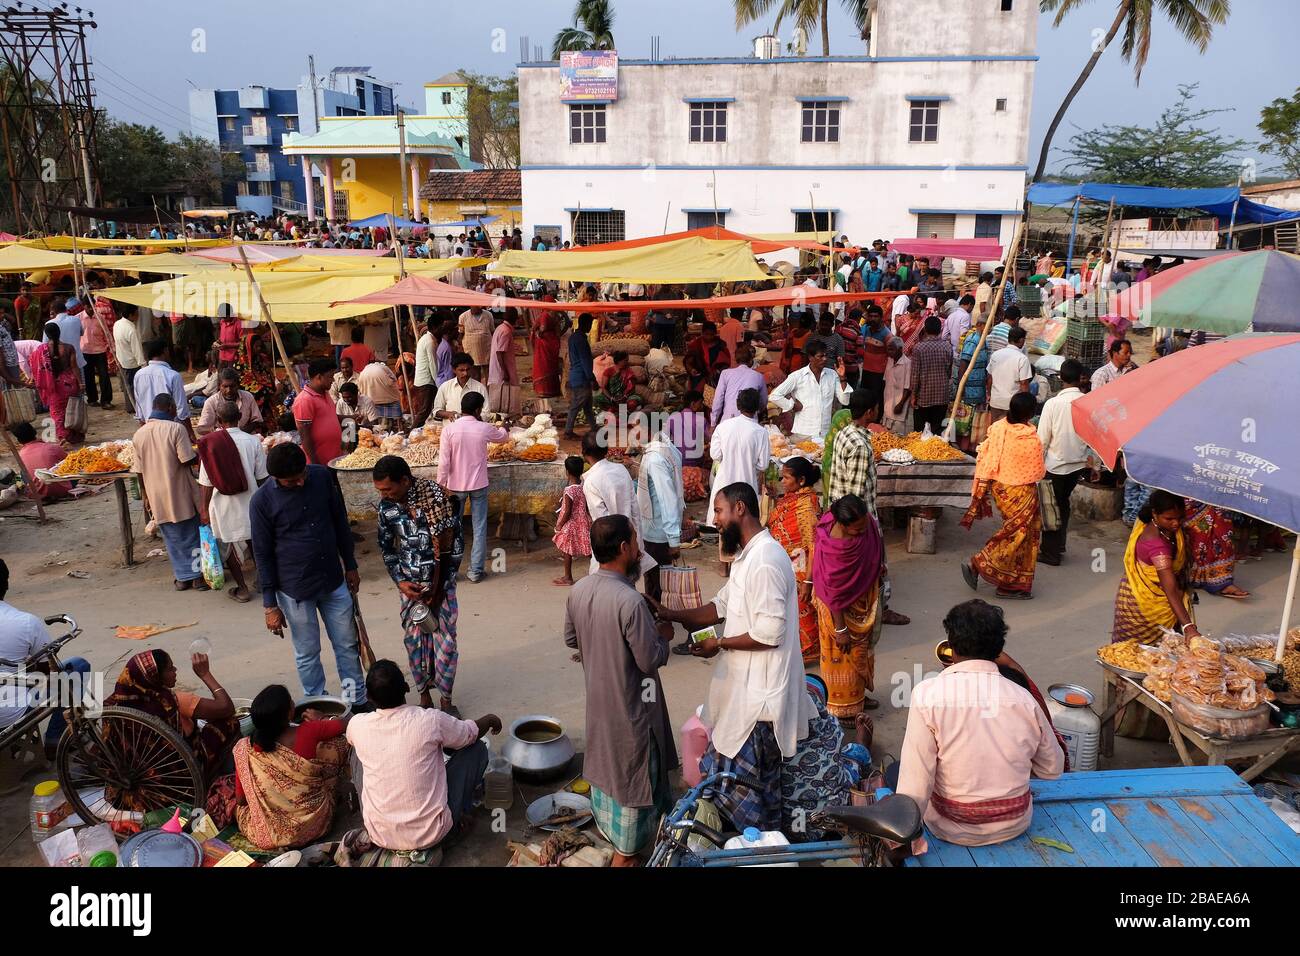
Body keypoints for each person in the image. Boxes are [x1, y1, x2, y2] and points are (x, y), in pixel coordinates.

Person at [654, 483, 816, 833]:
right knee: (742, 790)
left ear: (740, 509)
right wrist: (672, 613)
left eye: (719, 511)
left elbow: (769, 634)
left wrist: (720, 644)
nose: (714, 519)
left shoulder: (767, 560)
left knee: (756, 797)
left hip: (761, 701)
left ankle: (758, 849)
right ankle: (750, 845)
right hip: (745, 694)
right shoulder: (747, 555)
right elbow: (720, 606)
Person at [896, 600, 1064, 849]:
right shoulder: (1024, 699)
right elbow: (1052, 769)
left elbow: (916, 779)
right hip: (1014, 823)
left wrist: (905, 840)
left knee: (897, 770)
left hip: (950, 828)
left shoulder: (927, 694)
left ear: (951, 647)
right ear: (999, 649)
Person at [563, 515, 677, 865]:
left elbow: (571, 638)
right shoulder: (630, 601)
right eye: (635, 540)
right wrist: (664, 635)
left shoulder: (579, 589)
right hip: (634, 713)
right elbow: (648, 660)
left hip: (601, 708)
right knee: (635, 783)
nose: (640, 546)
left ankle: (626, 847)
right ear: (625, 548)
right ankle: (626, 854)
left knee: (610, 775)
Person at [345, 660, 500, 862]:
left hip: (381, 834)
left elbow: (347, 731)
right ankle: (453, 826)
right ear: (406, 688)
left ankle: (381, 816)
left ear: (368, 697)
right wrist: (489, 719)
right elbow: (469, 734)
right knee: (476, 749)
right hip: (431, 833)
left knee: (356, 751)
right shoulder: (430, 719)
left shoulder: (358, 725)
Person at [250, 443, 368, 707]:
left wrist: (350, 565)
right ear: (275, 478)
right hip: (295, 589)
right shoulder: (262, 501)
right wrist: (270, 605)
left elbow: (340, 521)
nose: (301, 482)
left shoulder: (322, 476)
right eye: (292, 481)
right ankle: (317, 704)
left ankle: (356, 701)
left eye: (303, 474)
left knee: (347, 646)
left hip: (333, 580)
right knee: (307, 653)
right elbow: (263, 554)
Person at [373, 456, 464, 712]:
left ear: (405, 480)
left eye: (387, 489)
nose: (384, 495)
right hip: (410, 590)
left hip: (441, 587)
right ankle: (424, 695)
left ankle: (446, 701)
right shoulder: (387, 508)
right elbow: (386, 548)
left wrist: (439, 589)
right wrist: (400, 581)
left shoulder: (439, 499)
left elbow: (454, 547)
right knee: (414, 643)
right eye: (380, 490)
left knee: (445, 645)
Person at [226, 684, 351, 851]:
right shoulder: (309, 731)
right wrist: (322, 718)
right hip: (317, 824)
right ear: (290, 713)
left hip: (270, 835)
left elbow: (241, 800)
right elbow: (348, 721)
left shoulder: (244, 749)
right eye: (291, 702)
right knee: (337, 744)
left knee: (227, 794)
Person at [105, 649, 239, 792]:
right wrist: (205, 674)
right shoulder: (172, 701)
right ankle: (220, 775)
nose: (175, 670)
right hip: (181, 778)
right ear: (155, 676)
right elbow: (226, 707)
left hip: (139, 784)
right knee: (229, 722)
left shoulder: (113, 705)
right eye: (170, 669)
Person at [0, 558, 92, 760]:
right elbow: (46, 673)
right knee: (76, 668)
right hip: (10, 709)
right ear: (6, 584)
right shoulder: (25, 622)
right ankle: (55, 739)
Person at [961, 392, 1046, 600]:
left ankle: (1012, 582)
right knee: (1019, 534)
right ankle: (981, 565)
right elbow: (1037, 472)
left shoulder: (998, 428)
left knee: (1019, 532)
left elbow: (987, 454)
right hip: (1021, 491)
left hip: (1001, 490)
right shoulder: (1031, 438)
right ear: (1030, 413)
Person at [812, 494, 885, 717]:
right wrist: (841, 628)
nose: (863, 531)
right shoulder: (836, 547)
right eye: (856, 529)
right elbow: (834, 594)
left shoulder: (866, 522)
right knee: (841, 657)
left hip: (862, 599)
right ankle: (840, 710)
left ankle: (859, 697)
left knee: (862, 653)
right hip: (838, 613)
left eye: (864, 525)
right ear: (842, 524)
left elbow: (874, 542)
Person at [134, 393, 208, 591]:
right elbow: (186, 459)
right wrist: (200, 454)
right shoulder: (176, 428)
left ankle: (182, 577)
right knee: (191, 533)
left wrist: (145, 495)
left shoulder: (139, 434)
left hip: (155, 492)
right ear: (170, 409)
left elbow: (139, 471)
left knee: (172, 537)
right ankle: (197, 577)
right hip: (179, 489)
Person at [197, 399, 267, 603]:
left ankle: (242, 589)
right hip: (252, 500)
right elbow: (262, 476)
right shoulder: (253, 441)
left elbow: (206, 482)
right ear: (239, 417)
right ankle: (264, 581)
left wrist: (203, 510)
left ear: (218, 420)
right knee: (254, 540)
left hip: (223, 503)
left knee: (229, 545)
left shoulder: (211, 443)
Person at [436, 390, 507, 583]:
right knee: (479, 527)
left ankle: (451, 571)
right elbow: (503, 437)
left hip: (455, 486)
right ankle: (476, 571)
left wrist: (441, 486)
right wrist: (503, 425)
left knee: (453, 528)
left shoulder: (449, 430)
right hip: (478, 485)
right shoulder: (483, 428)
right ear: (477, 410)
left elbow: (444, 463)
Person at [765, 457, 822, 665]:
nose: (782, 481)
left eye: (786, 477)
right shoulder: (793, 498)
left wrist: (808, 581)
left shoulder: (806, 507)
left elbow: (814, 545)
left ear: (801, 480)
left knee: (802, 609)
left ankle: (808, 652)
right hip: (786, 562)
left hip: (800, 567)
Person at [1036, 358, 1089, 566]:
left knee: (1051, 508)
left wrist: (1037, 466)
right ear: (1080, 379)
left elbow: (1042, 439)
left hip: (1055, 465)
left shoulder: (1053, 404)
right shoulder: (1086, 402)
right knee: (1063, 503)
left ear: (1061, 378)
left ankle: (1051, 553)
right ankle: (1059, 545)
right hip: (1077, 465)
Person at [580, 430, 653, 578]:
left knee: (607, 591)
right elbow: (635, 509)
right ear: (606, 450)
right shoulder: (620, 469)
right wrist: (637, 543)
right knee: (627, 586)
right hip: (628, 541)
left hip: (609, 550)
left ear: (584, 452)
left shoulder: (591, 481)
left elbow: (601, 521)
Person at [768, 342, 852, 441]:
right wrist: (792, 406)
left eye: (826, 356)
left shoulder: (832, 375)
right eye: (820, 356)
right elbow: (775, 395)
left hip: (825, 433)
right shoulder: (797, 376)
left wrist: (843, 378)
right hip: (803, 432)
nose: (824, 359)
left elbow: (845, 401)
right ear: (810, 358)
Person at [638, 429, 684, 604]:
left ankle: (657, 621)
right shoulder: (668, 448)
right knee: (660, 581)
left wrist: (673, 540)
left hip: (657, 531)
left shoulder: (655, 459)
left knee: (655, 583)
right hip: (659, 528)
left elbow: (667, 499)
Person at [708, 387, 769, 516]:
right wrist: (748, 462)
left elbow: (715, 455)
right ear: (757, 407)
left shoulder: (723, 426)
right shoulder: (761, 432)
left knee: (723, 519)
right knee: (744, 520)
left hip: (724, 483)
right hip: (747, 484)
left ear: (738, 406)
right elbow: (763, 464)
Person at [1183, 502, 1249, 599]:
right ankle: (1194, 576)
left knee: (1222, 534)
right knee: (1197, 537)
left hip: (1216, 496)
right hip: (1190, 498)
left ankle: (1223, 581)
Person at [30, 322, 82, 446]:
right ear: (59, 332)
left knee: (57, 413)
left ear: (46, 335)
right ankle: (74, 435)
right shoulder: (69, 348)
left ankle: (62, 436)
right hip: (69, 384)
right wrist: (81, 383)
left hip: (53, 386)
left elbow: (36, 367)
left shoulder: (41, 350)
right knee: (72, 410)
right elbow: (74, 367)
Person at [134, 340, 195, 441]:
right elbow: (182, 410)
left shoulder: (139, 375)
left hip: (149, 428)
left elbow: (139, 409)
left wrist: (143, 432)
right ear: (165, 351)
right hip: (171, 430)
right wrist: (191, 433)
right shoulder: (173, 375)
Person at [293, 358, 345, 466]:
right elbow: (304, 435)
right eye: (330, 377)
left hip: (335, 459)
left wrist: (351, 418)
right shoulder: (305, 400)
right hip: (321, 463)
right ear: (319, 377)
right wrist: (315, 465)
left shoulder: (325, 394)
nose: (333, 380)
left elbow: (331, 417)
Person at [552, 455, 592, 586]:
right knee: (587, 547)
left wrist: (559, 525)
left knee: (567, 550)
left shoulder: (568, 490)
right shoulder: (583, 486)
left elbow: (567, 511)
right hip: (583, 521)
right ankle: (599, 570)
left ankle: (568, 577)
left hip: (572, 523)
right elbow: (585, 506)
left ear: (567, 472)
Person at [909, 315, 953, 434]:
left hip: (923, 396)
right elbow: (949, 372)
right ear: (940, 330)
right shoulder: (947, 346)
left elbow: (915, 375)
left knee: (919, 431)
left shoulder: (919, 348)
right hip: (942, 396)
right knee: (937, 431)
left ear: (925, 329)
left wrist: (913, 396)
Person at [710, 342, 767, 427]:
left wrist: (713, 423)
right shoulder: (758, 376)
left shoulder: (725, 373)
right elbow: (763, 401)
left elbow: (718, 399)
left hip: (728, 420)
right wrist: (756, 411)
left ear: (736, 360)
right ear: (751, 360)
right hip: (750, 422)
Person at [10, 421, 70, 501]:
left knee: (18, 475)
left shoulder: (20, 455)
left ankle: (24, 491)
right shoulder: (52, 447)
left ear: (19, 440)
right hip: (62, 490)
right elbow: (70, 461)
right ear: (34, 432)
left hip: (35, 494)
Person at [196, 367, 263, 437]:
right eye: (225, 386)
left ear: (238, 385)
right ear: (219, 386)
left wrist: (240, 433)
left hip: (246, 436)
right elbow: (200, 429)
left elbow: (257, 421)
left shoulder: (248, 397)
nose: (229, 390)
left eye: (232, 386)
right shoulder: (211, 402)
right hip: (222, 439)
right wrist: (219, 432)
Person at [985, 326, 1033, 423]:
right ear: (1021, 340)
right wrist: (1026, 404)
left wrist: (989, 394)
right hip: (1012, 404)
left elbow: (990, 377)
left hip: (996, 401)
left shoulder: (996, 354)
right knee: (1011, 432)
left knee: (996, 430)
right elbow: (1024, 383)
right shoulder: (1022, 359)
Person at [564, 313, 598, 439]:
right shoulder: (581, 340)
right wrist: (591, 378)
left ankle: (594, 427)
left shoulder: (573, 337)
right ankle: (568, 431)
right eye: (589, 324)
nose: (590, 327)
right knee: (576, 405)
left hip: (576, 375)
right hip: (581, 377)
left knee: (588, 406)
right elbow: (585, 361)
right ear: (585, 324)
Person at [80, 294, 115, 410]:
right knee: (88, 376)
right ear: (84, 306)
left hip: (100, 350)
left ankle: (106, 400)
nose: (91, 309)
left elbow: (107, 333)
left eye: (92, 306)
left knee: (104, 376)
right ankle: (92, 399)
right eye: (88, 306)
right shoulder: (78, 318)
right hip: (85, 351)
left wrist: (112, 347)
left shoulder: (100, 317)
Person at [432, 351, 489, 421]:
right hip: (451, 430)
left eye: (468, 370)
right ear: (454, 370)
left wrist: (470, 420)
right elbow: (436, 411)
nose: (465, 373)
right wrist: (448, 414)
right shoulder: (445, 387)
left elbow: (486, 413)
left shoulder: (480, 388)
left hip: (472, 430)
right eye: (461, 370)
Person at [488, 310, 521, 417]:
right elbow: (500, 352)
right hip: (502, 369)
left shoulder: (500, 328)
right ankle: (504, 417)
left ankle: (501, 416)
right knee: (504, 396)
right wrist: (504, 371)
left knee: (501, 395)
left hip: (499, 367)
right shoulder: (506, 331)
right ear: (516, 319)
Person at [112, 306, 145, 415]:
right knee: (134, 386)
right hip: (131, 362)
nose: (138, 316)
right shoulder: (131, 329)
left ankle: (130, 406)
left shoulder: (117, 324)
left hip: (122, 360)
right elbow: (137, 350)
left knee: (127, 386)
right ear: (131, 315)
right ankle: (135, 407)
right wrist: (143, 364)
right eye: (136, 313)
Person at [356, 356, 403, 428]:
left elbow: (360, 386)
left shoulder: (365, 369)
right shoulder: (383, 367)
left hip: (371, 398)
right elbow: (393, 379)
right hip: (388, 399)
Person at [530, 313, 562, 412]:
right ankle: (552, 390)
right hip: (552, 342)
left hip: (544, 344)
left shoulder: (544, 315)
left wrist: (537, 333)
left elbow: (542, 328)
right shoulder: (554, 315)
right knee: (550, 366)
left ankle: (543, 390)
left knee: (542, 367)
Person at [684, 321, 729, 390]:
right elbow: (688, 361)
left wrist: (718, 371)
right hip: (699, 378)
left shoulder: (721, 345)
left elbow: (726, 362)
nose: (709, 337)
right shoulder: (696, 345)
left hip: (716, 378)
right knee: (696, 397)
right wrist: (692, 370)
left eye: (711, 334)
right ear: (702, 333)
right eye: (706, 334)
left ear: (715, 334)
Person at [881, 337, 912, 436]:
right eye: (888, 349)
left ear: (900, 349)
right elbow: (885, 381)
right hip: (887, 403)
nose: (889, 352)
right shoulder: (890, 360)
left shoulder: (908, 363)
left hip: (899, 405)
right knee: (886, 435)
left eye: (891, 349)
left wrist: (901, 404)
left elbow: (908, 388)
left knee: (897, 435)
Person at [411, 317, 439, 426]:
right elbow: (433, 364)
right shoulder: (429, 341)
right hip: (426, 381)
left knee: (425, 411)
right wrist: (438, 383)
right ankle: (412, 433)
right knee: (424, 411)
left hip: (422, 380)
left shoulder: (426, 338)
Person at [459, 305, 493, 380]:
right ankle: (476, 391)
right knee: (475, 375)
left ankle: (488, 391)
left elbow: (492, 331)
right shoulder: (463, 317)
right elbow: (461, 333)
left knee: (489, 374)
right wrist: (461, 348)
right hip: (471, 351)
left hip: (486, 350)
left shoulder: (488, 315)